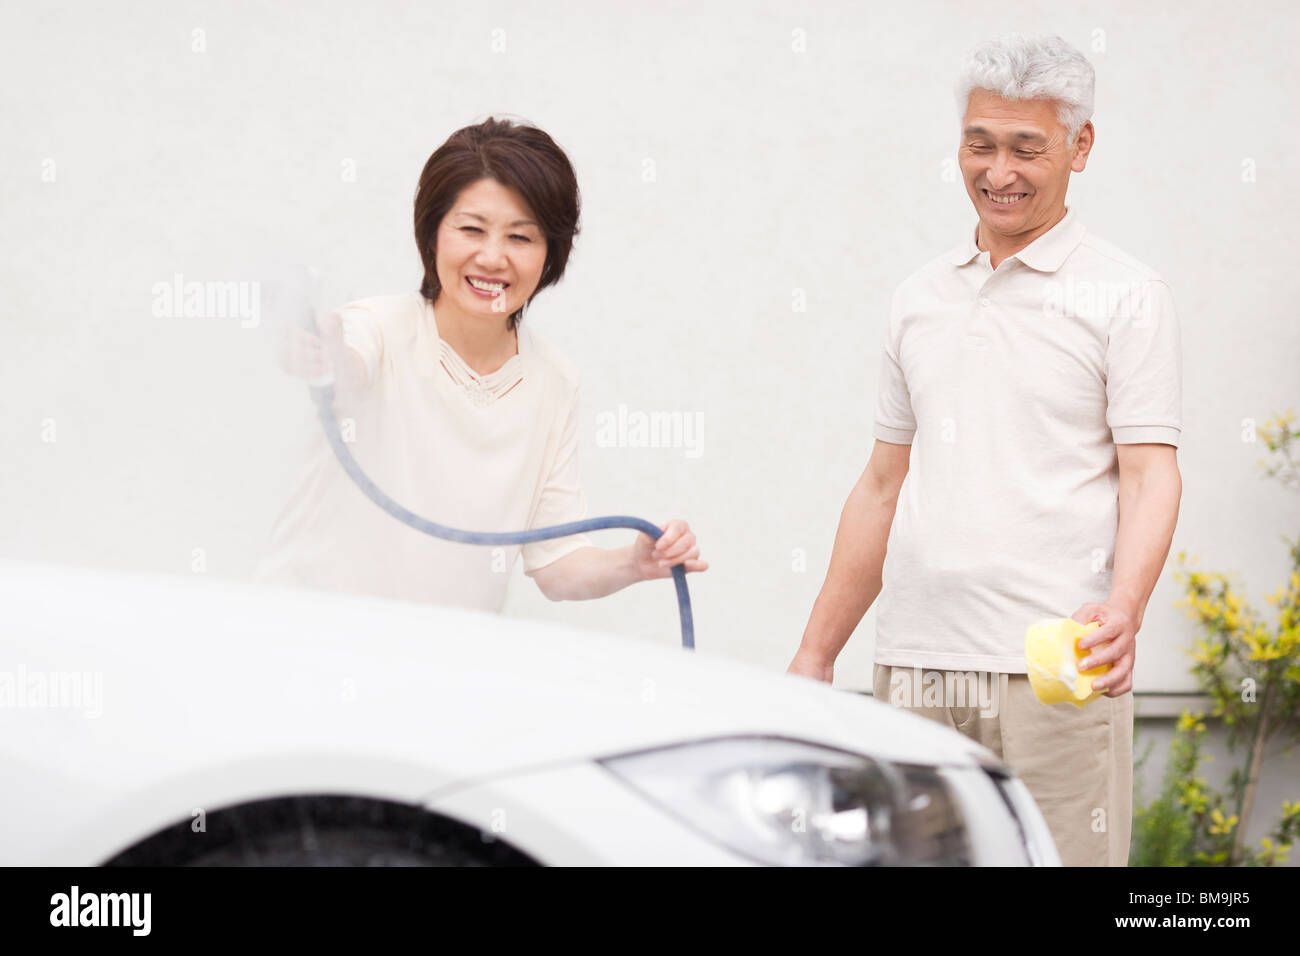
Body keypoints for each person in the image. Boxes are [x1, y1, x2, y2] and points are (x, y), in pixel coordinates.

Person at [786, 34, 1182, 867]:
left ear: (1080, 146)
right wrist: (817, 654)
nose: (998, 170)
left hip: (1056, 675)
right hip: (915, 669)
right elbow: (880, 488)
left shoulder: (1127, 295)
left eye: (1025, 147)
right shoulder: (918, 298)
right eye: (980, 143)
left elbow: (1151, 476)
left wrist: (1126, 609)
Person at [257, 117, 706, 613]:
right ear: (432, 235)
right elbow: (342, 370)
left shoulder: (555, 381)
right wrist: (321, 352)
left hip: (446, 659)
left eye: (521, 237)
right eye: (471, 229)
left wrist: (635, 563)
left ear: (550, 254)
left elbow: (557, 565)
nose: (492, 258)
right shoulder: (375, 328)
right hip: (310, 634)